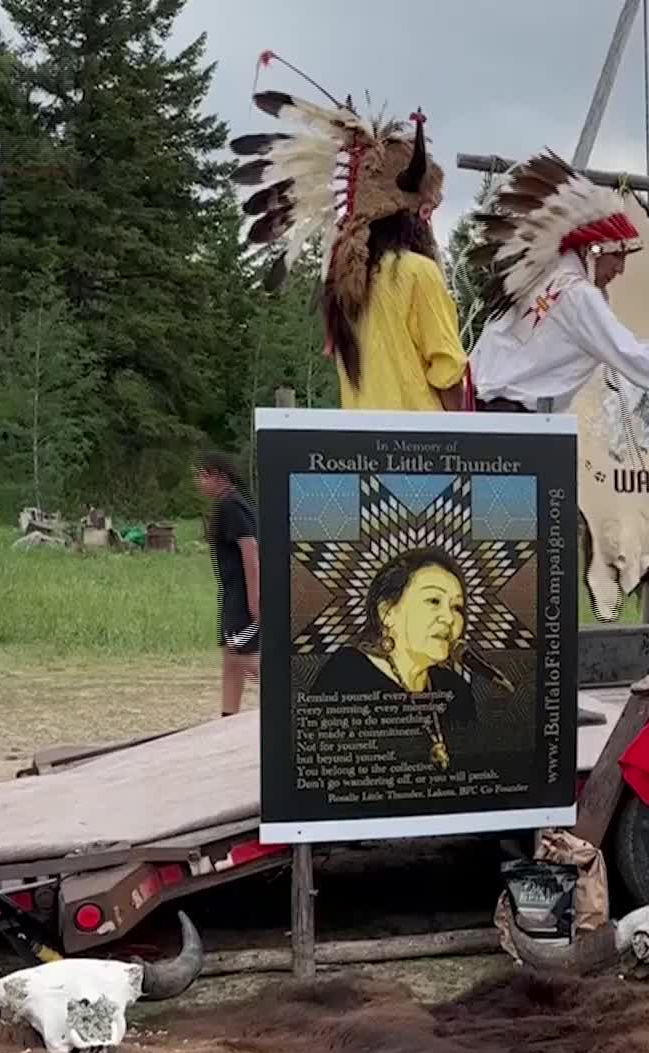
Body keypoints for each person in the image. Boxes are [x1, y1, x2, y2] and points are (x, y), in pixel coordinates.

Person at [230, 64, 467, 410]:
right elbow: (447, 371)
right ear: (416, 213)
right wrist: (460, 429)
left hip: (357, 448)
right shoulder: (417, 273)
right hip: (420, 448)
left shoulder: (343, 280)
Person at [461, 152, 649, 413]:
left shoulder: (540, 278)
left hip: (486, 414)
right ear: (592, 250)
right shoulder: (577, 294)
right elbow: (637, 361)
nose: (620, 270)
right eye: (618, 258)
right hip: (515, 424)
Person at [317, 549, 479, 770]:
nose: (450, 618)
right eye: (433, 600)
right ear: (387, 611)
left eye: (457, 607)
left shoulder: (456, 689)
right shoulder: (345, 676)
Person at [195, 451, 260, 716]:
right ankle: (227, 718)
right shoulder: (227, 504)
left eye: (202, 476)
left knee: (246, 657)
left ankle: (291, 709)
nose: (198, 482)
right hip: (233, 592)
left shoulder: (233, 506)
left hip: (243, 595)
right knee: (232, 658)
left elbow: (251, 550)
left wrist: (255, 599)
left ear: (219, 476)